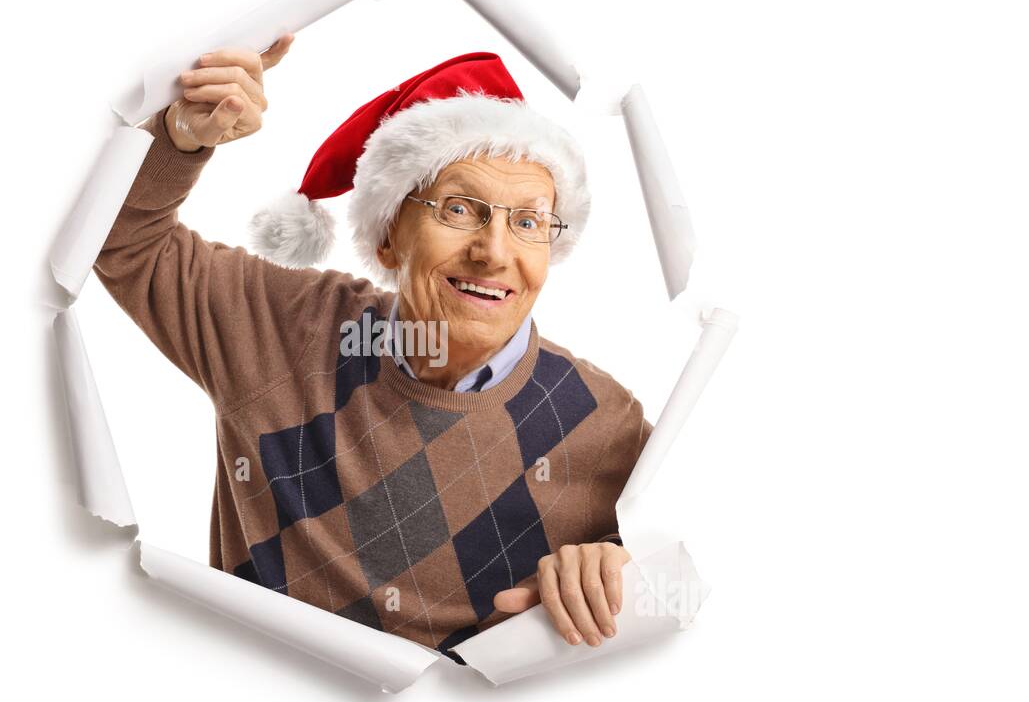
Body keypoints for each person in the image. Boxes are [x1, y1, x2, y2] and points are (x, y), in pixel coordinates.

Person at [93, 34, 653, 660]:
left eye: (527, 221)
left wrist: (626, 567)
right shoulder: (284, 324)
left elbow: (710, 562)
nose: (494, 253)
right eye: (461, 210)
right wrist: (179, 135)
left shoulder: (607, 426)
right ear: (387, 238)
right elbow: (120, 241)